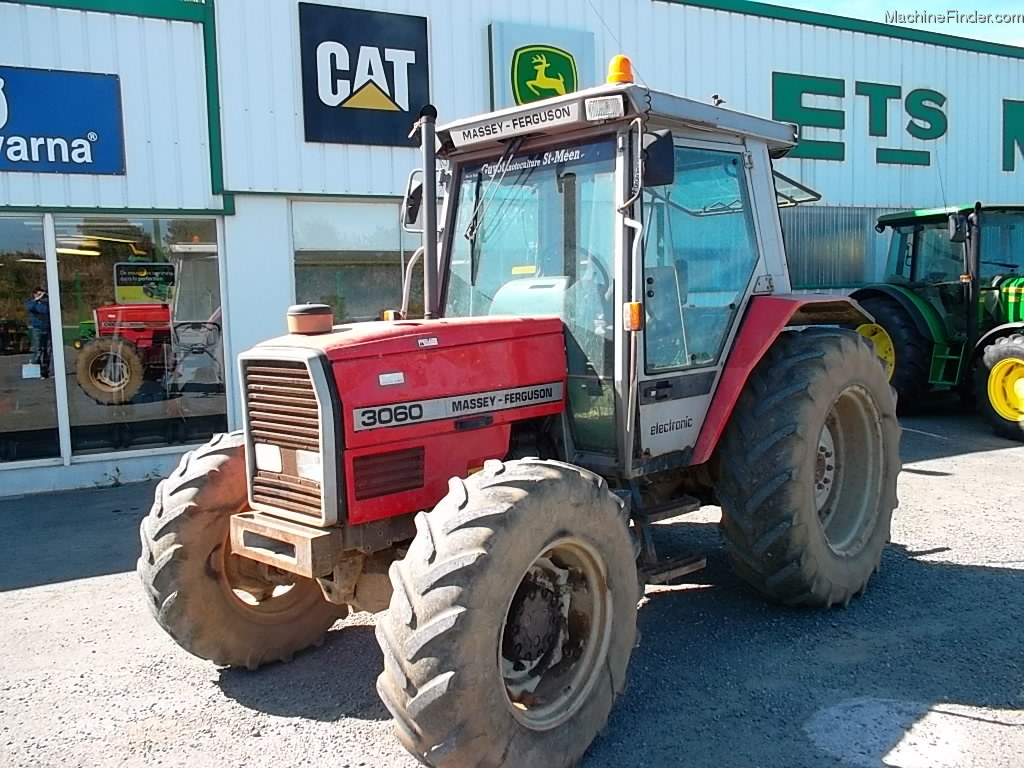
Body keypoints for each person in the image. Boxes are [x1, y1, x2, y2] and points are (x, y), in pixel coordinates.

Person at [26, 287, 51, 378]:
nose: (41, 295)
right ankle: (37, 370)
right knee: (38, 350)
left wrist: (48, 297)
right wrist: (37, 299)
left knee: (47, 351)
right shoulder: (31, 303)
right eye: (38, 293)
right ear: (34, 294)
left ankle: (45, 371)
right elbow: (30, 308)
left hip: (47, 328)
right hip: (37, 329)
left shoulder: (47, 304)